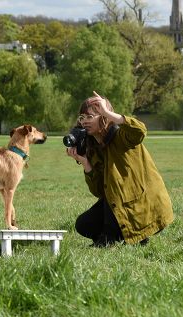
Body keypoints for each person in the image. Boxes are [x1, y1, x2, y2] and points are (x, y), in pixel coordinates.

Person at [66, 91, 173, 247]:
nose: (85, 122)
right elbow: (99, 192)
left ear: (103, 117)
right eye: (82, 118)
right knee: (84, 224)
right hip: (121, 201)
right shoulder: (94, 147)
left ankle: (110, 238)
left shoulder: (121, 136)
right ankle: (120, 236)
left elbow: (140, 130)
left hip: (145, 205)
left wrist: (109, 113)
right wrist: (85, 163)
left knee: (114, 195)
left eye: (90, 117)